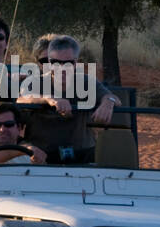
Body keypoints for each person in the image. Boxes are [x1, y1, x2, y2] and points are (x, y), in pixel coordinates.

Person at [18, 34, 120, 164]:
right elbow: (22, 100)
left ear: (76, 62)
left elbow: (112, 97)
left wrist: (107, 103)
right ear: (49, 62)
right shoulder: (35, 82)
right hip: (42, 155)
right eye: (56, 63)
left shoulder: (86, 81)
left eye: (68, 63)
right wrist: (50, 99)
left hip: (83, 154)